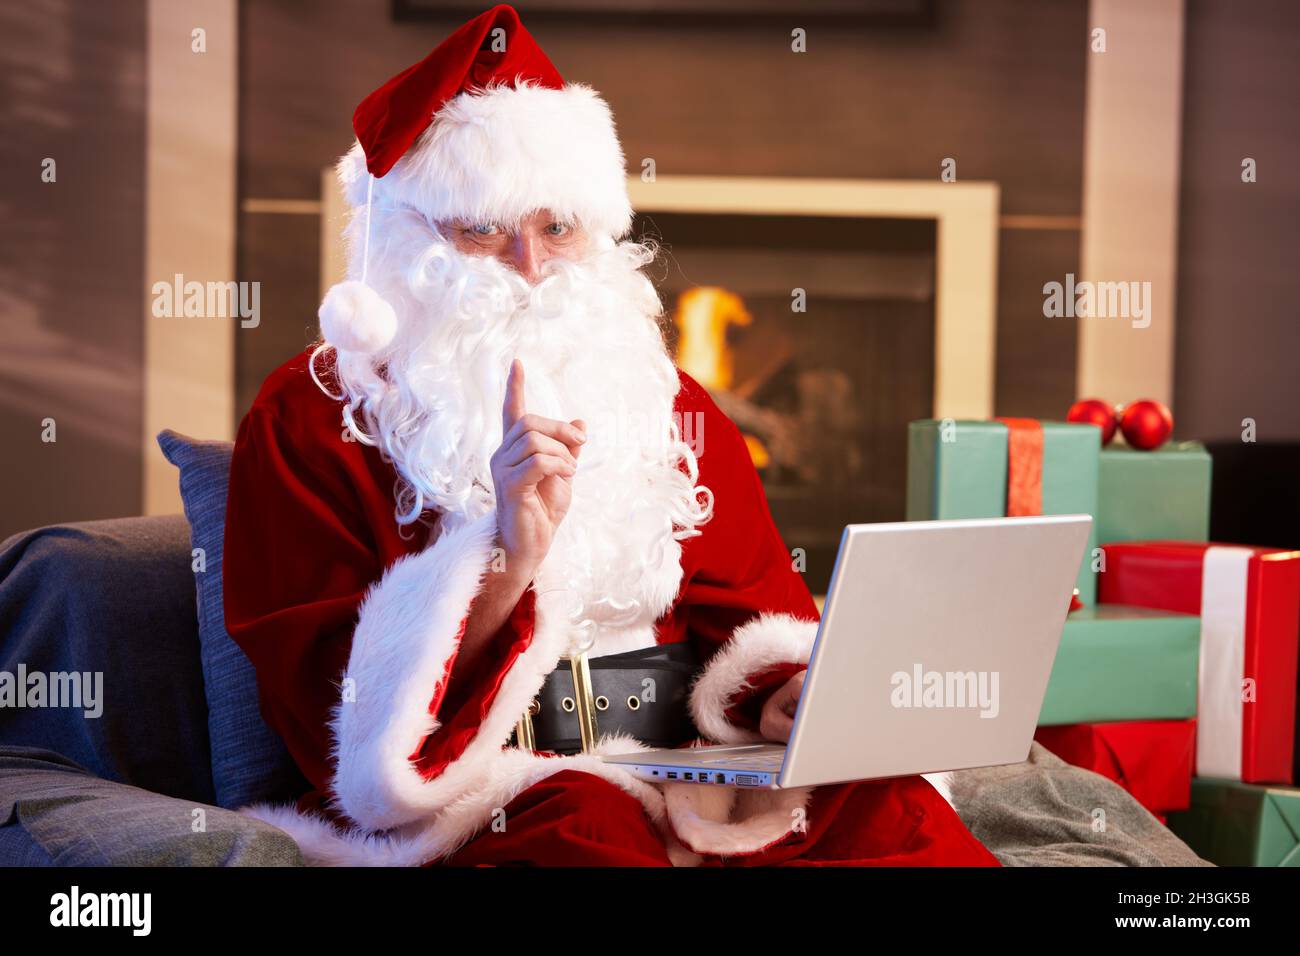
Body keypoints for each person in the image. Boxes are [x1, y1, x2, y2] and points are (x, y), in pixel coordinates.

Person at [223, 3, 997, 867]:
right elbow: (335, 717)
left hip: (691, 768)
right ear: (402, 239)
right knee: (584, 831)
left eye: (557, 226)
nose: (529, 263)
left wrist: (783, 695)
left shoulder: (667, 396)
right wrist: (506, 558)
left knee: (890, 811)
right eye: (483, 226)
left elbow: (757, 607)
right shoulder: (313, 415)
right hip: (488, 786)